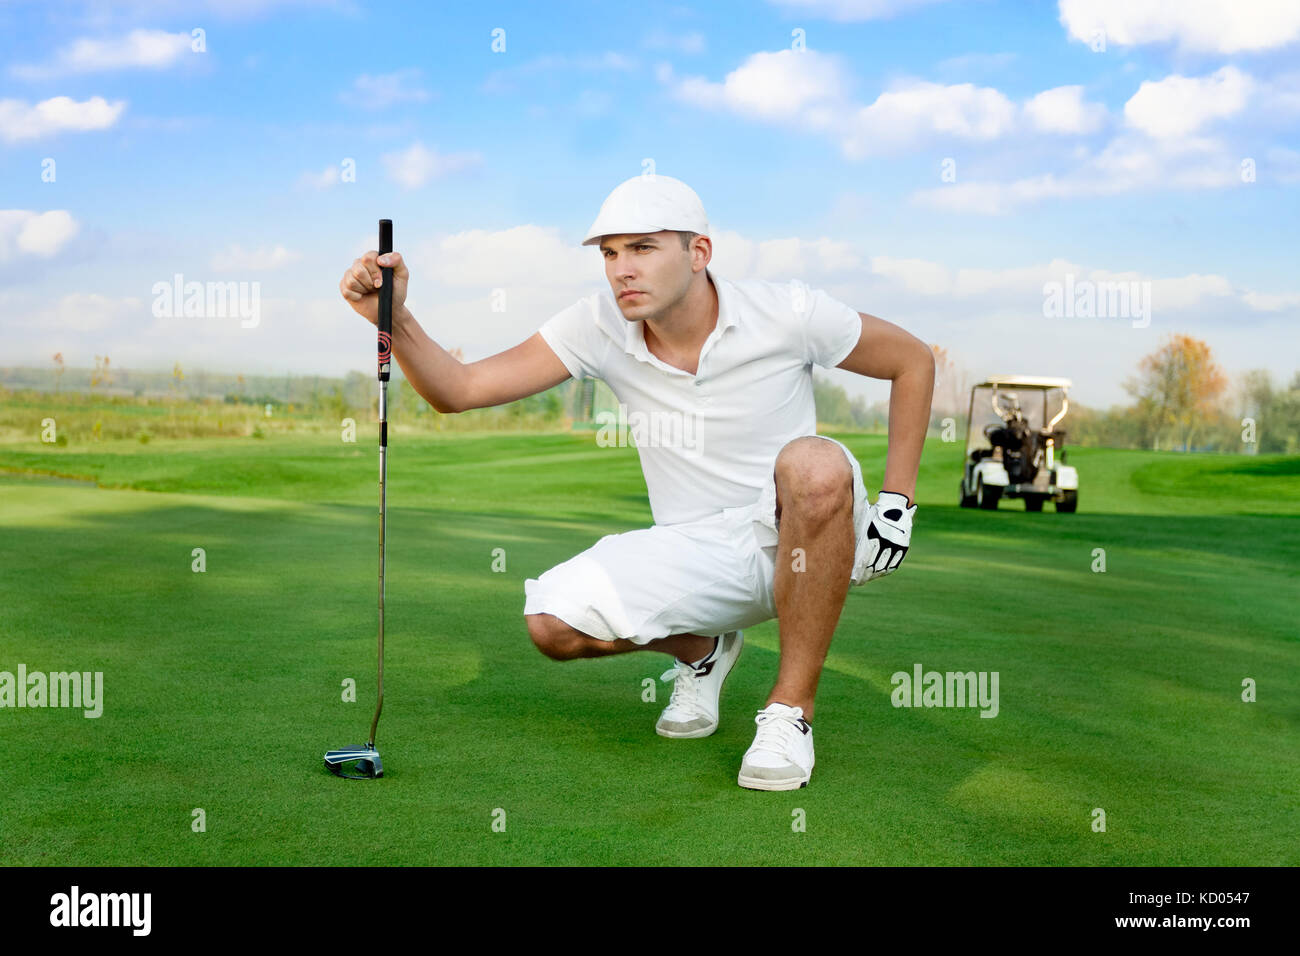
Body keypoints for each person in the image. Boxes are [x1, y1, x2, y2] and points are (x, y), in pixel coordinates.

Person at [339, 174, 935, 790]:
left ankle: (789, 713)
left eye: (643, 248)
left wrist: (897, 500)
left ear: (698, 253)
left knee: (814, 461)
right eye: (609, 252)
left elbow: (910, 360)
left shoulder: (788, 310)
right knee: (550, 621)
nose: (621, 269)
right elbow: (458, 391)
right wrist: (396, 317)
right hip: (695, 551)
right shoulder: (595, 324)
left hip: (802, 537)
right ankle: (701, 652)